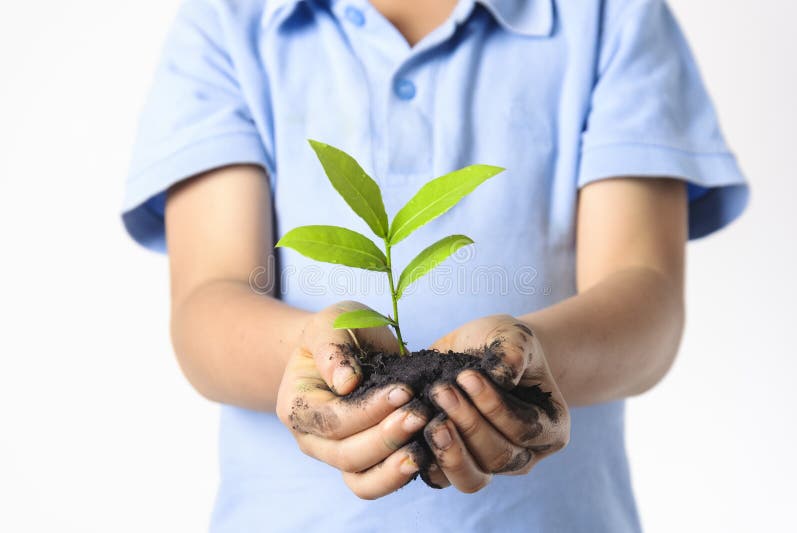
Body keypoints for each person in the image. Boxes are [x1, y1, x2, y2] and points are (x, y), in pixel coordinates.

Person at [121, 0, 749, 530]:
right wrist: (311, 355)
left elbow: (645, 296)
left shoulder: (609, 15)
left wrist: (528, 358)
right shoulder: (233, 19)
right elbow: (209, 299)